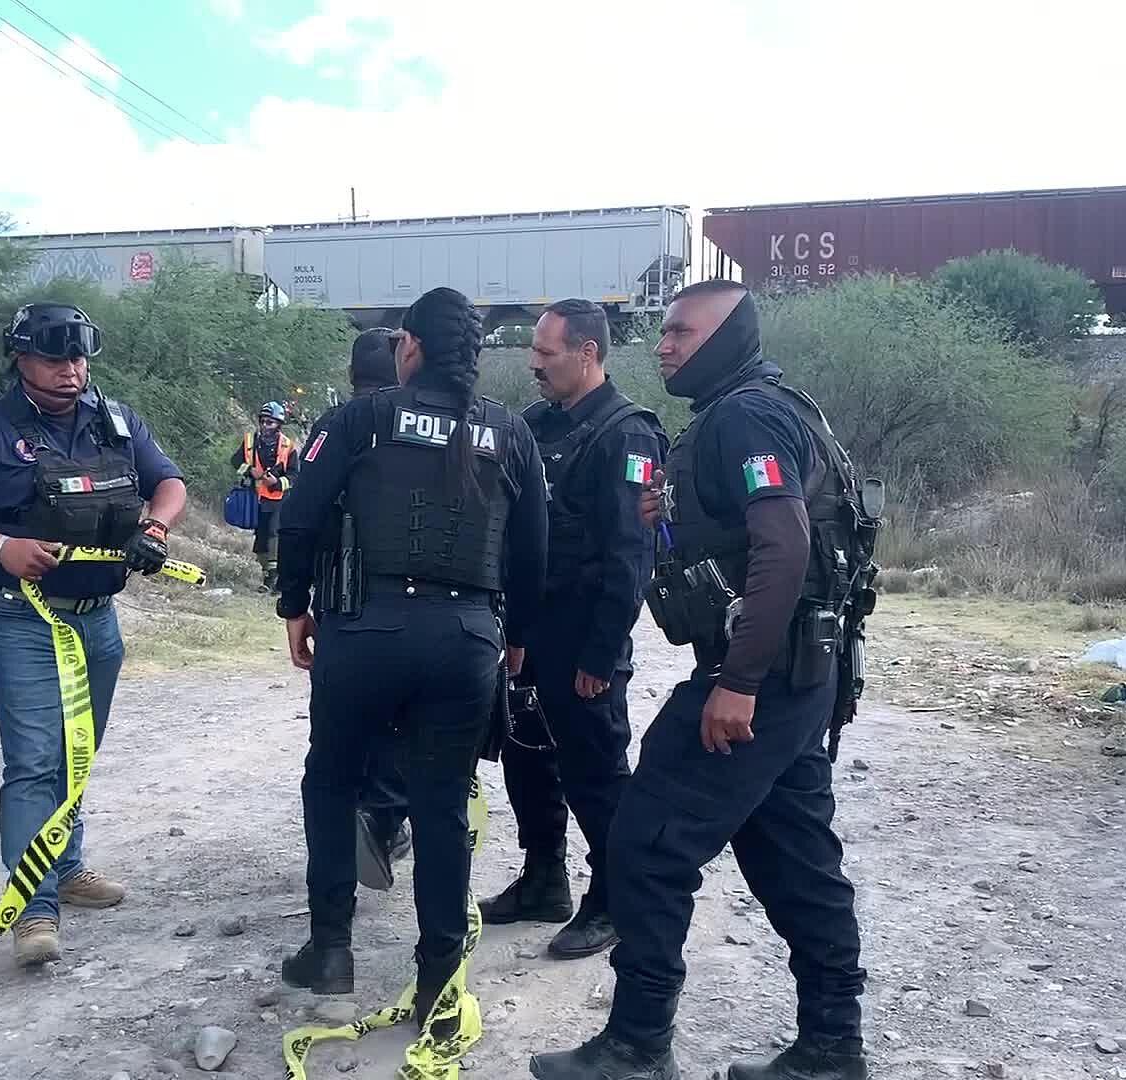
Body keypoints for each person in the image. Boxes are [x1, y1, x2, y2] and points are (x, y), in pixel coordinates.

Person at [531, 281, 869, 1080]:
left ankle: (638, 1046)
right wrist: (671, 516)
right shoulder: (758, 408)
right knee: (795, 858)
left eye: (682, 331)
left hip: (764, 678)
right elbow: (760, 532)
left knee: (646, 843)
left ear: (726, 337)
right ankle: (831, 1046)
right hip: (802, 675)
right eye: (666, 332)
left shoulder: (746, 416)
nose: (665, 344)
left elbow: (784, 545)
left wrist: (739, 681)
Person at [275, 286, 547, 1027]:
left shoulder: (361, 418)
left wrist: (293, 605)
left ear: (412, 348)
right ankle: (438, 977)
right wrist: (514, 637)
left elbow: (299, 515)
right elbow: (531, 551)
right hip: (465, 638)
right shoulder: (512, 434)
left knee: (331, 781)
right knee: (440, 802)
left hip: (363, 629)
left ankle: (331, 948)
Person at [0, 303, 188, 966]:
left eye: (78, 357)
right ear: (20, 358)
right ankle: (32, 908)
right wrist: (2, 545)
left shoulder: (117, 422)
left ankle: (68, 870)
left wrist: (154, 530)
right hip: (21, 617)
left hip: (97, 619)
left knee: (76, 754)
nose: (70, 370)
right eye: (53, 357)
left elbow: (170, 484)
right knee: (35, 760)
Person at [480, 299, 665, 962]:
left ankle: (613, 899)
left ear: (587, 353)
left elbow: (629, 556)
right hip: (526, 632)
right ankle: (543, 878)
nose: (533, 363)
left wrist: (602, 650)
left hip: (584, 636)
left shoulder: (626, 434)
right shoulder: (532, 426)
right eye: (534, 351)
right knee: (528, 758)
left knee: (594, 771)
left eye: (547, 352)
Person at [314, 326, 413, 891]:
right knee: (402, 721)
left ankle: (347, 831)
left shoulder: (335, 425)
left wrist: (295, 601)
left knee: (339, 724)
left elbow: (305, 511)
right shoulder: (440, 420)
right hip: (421, 602)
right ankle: (386, 819)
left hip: (341, 598)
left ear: (352, 375)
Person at [233, 401, 299, 590]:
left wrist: (277, 483)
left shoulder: (288, 446)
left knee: (274, 535)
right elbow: (235, 461)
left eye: (270, 422)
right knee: (261, 539)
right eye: (263, 421)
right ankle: (267, 576)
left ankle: (275, 579)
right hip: (257, 498)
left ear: (279, 424)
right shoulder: (250, 441)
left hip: (279, 500)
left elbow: (295, 476)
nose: (265, 426)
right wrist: (249, 471)